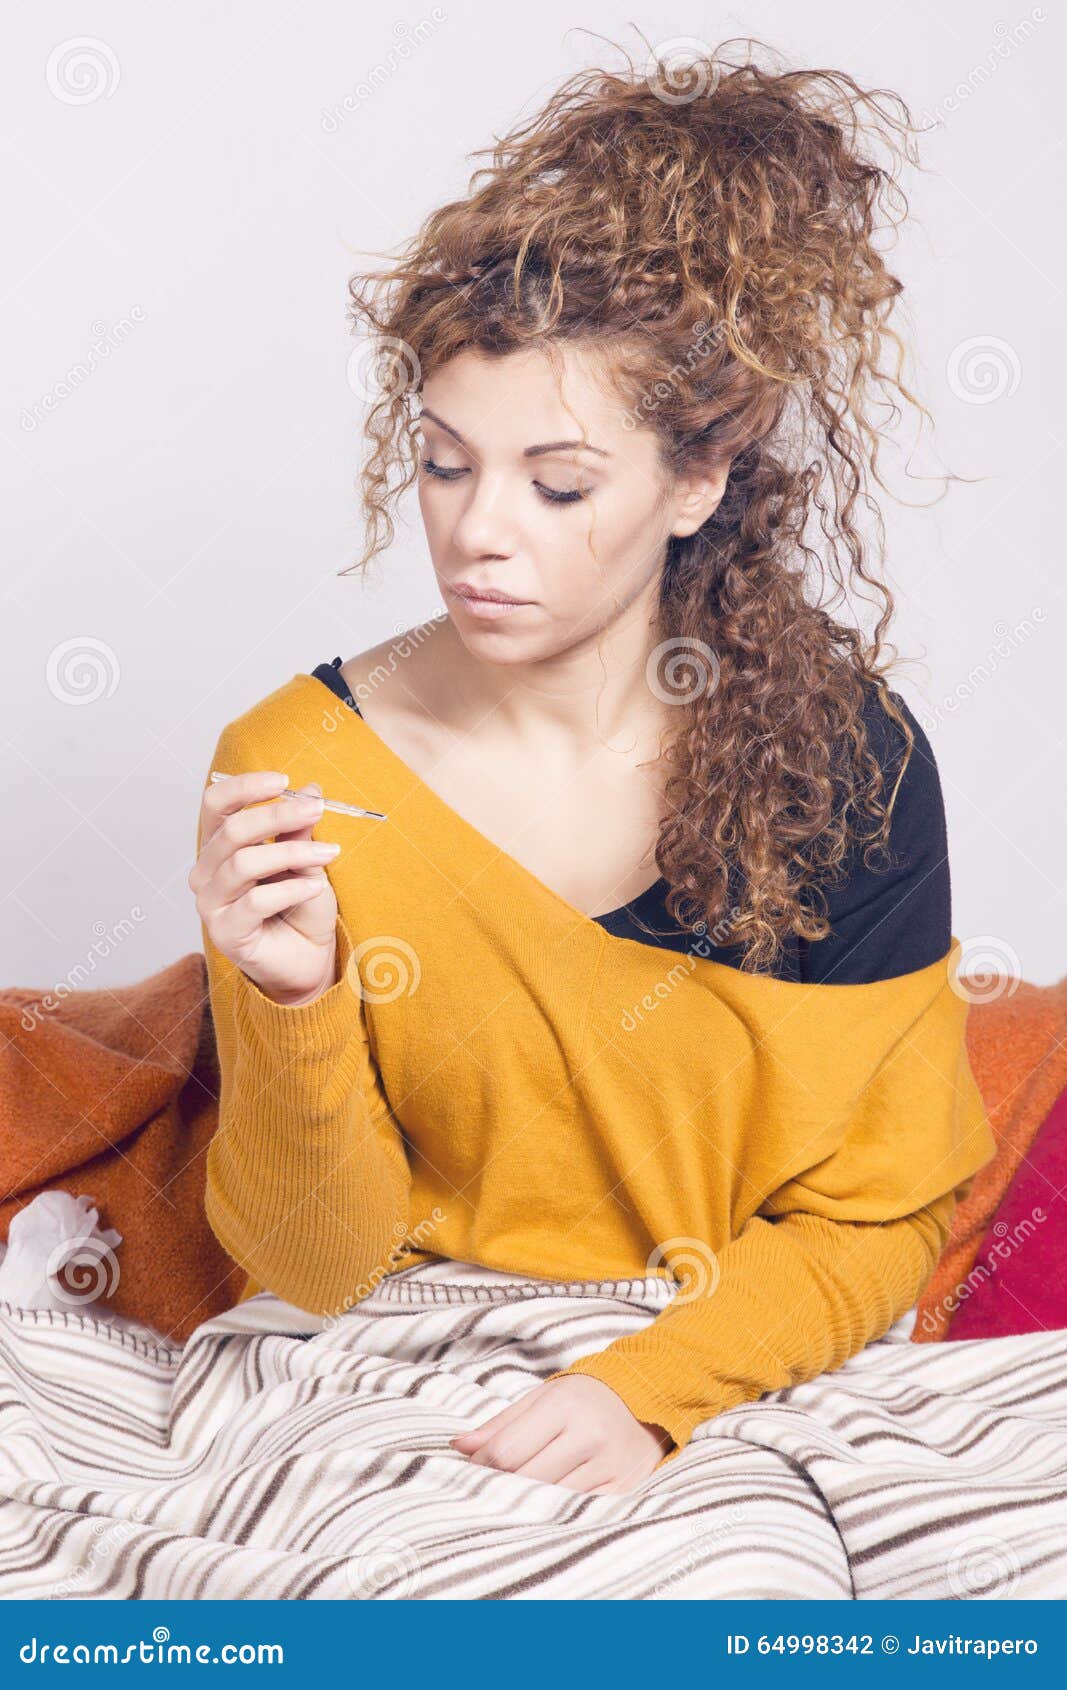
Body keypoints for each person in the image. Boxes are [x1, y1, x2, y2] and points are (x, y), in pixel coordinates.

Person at [189, 39, 995, 1502]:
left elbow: (878, 1222)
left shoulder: (847, 769)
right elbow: (315, 1261)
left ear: (698, 481)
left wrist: (647, 1391)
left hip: (731, 1365)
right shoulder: (296, 768)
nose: (479, 531)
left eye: (559, 483)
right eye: (445, 464)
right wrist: (290, 999)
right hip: (378, 1365)